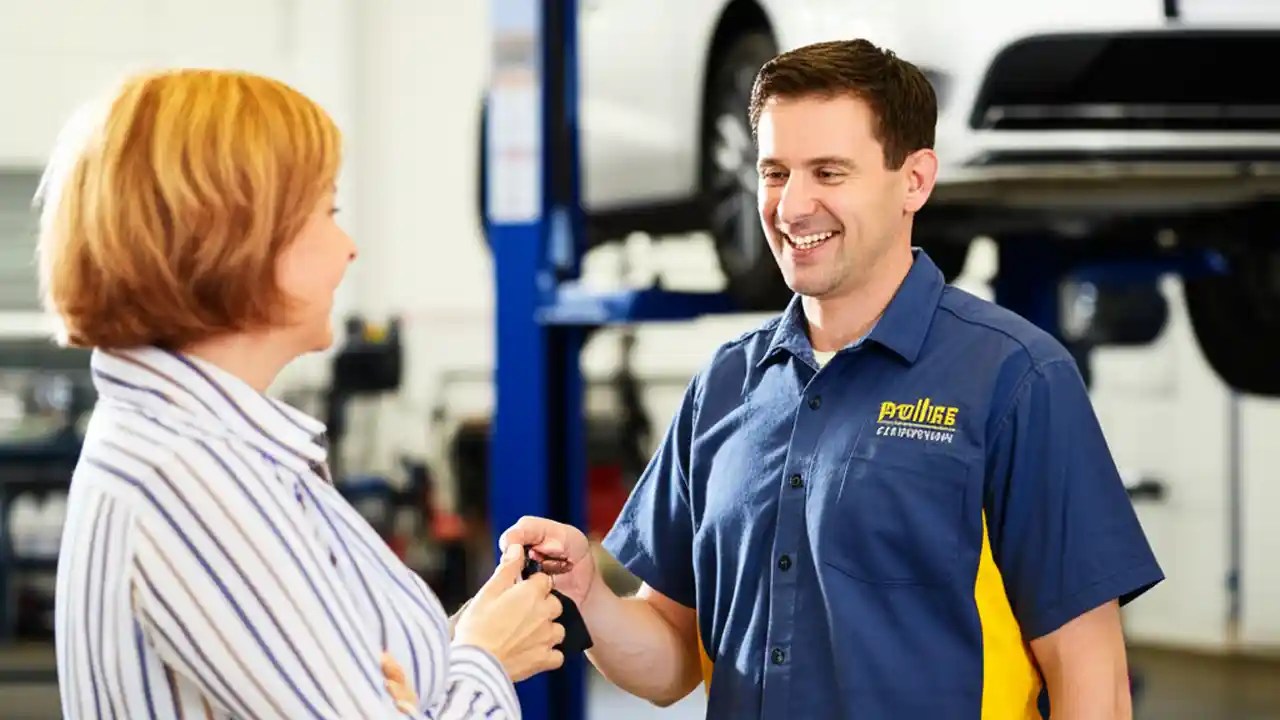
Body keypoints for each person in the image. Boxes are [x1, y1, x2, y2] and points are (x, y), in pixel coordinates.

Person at [500, 39, 1164, 719]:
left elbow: (1093, 682)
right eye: (775, 172)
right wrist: (588, 597)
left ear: (915, 180)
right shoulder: (727, 385)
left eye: (828, 172)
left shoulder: (1015, 379)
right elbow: (672, 655)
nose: (793, 206)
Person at [40, 68, 564, 719]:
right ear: (235, 237)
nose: (348, 248)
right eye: (327, 212)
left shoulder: (193, 448)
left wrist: (442, 659)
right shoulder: (196, 481)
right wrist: (484, 660)